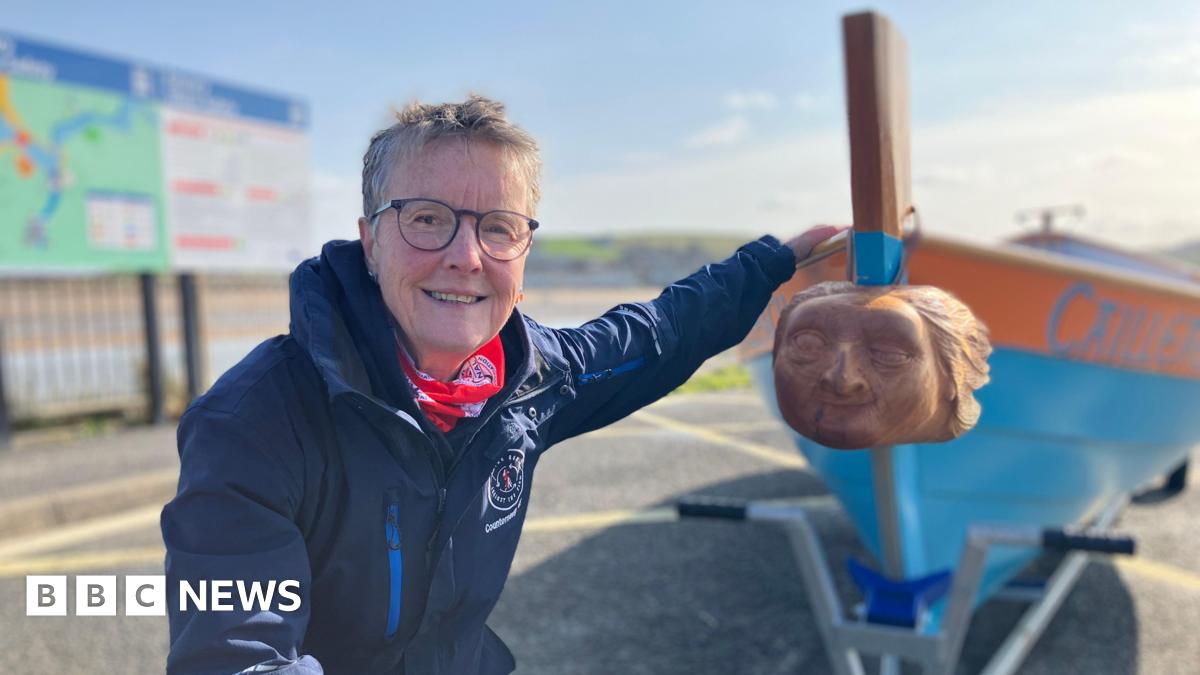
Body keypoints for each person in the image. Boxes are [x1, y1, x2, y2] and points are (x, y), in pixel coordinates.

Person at [161, 95, 844, 674]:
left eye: (498, 228)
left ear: (524, 253)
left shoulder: (528, 379)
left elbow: (655, 334)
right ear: (370, 242)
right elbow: (237, 656)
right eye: (427, 218)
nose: (466, 256)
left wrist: (768, 264)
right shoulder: (254, 422)